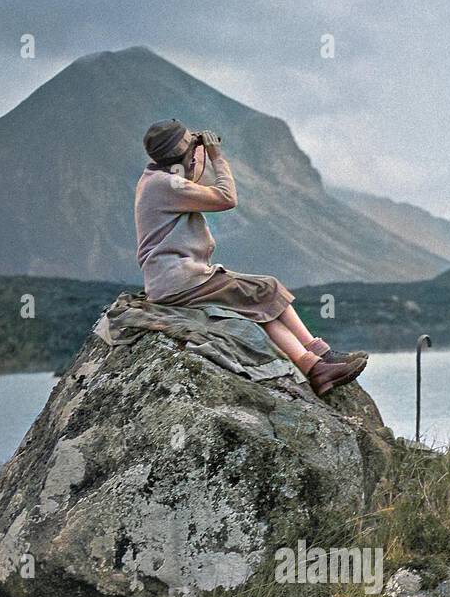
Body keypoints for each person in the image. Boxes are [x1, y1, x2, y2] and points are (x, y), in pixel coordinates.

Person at [134, 119, 369, 397]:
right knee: (266, 288)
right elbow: (226, 198)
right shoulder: (169, 184)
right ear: (181, 154)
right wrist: (216, 157)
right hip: (181, 280)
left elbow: (200, 187)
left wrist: (193, 155)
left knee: (258, 304)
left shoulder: (156, 180)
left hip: (174, 279)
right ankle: (319, 360)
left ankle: (316, 362)